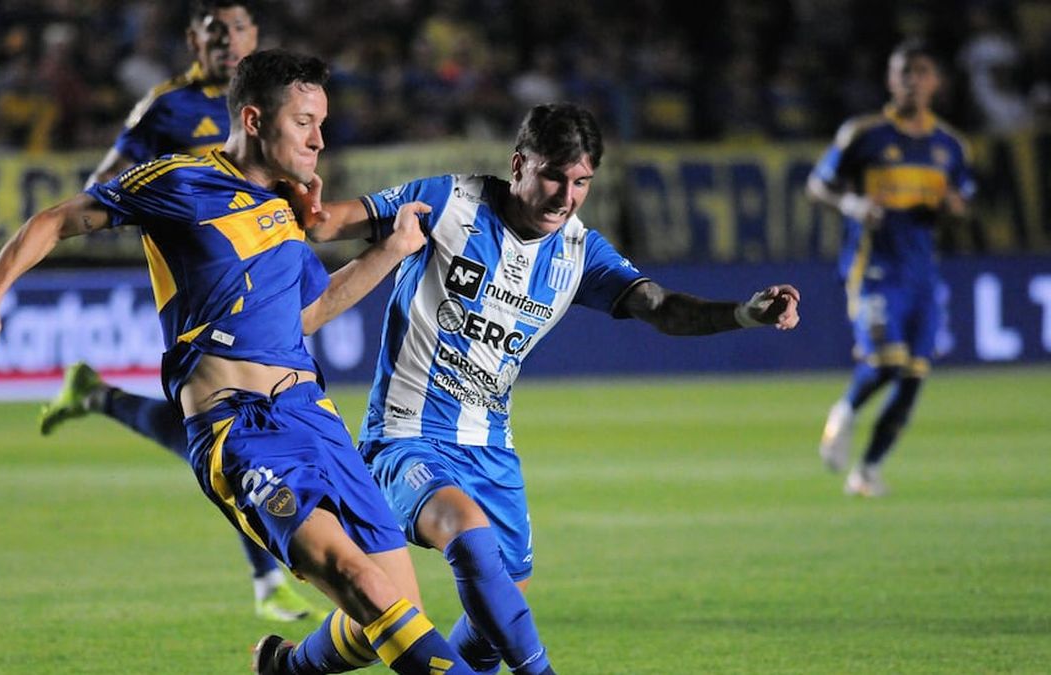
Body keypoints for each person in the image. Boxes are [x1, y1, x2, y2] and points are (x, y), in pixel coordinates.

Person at [0, 49, 475, 675]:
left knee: (394, 610)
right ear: (253, 119)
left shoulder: (284, 211)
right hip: (240, 429)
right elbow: (60, 219)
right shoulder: (181, 181)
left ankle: (283, 669)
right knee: (361, 582)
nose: (319, 140)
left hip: (315, 417)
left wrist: (394, 249)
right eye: (304, 122)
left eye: (321, 122)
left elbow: (311, 311)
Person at [254, 102, 801, 674]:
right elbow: (328, 222)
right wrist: (293, 193)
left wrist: (743, 313)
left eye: (582, 182)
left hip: (493, 452)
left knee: (478, 619)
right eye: (553, 176)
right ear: (519, 164)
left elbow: (659, 307)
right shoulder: (452, 202)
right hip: (406, 436)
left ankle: (288, 668)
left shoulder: (579, 251)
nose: (565, 196)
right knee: (469, 540)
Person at [36, 0, 315, 621]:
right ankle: (273, 579)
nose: (231, 40)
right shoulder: (167, 108)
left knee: (227, 422)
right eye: (218, 32)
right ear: (194, 40)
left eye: (241, 28)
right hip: (200, 274)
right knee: (232, 418)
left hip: (266, 266)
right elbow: (104, 178)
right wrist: (150, 203)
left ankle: (99, 397)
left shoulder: (274, 98)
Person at [807, 39, 975, 497]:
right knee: (885, 362)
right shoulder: (864, 134)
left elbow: (963, 200)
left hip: (923, 273)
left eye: (920, 72)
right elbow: (817, 185)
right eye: (902, 72)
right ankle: (844, 411)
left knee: (914, 374)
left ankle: (867, 471)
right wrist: (852, 203)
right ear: (889, 80)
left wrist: (954, 205)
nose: (911, 81)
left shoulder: (950, 147)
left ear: (935, 82)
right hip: (874, 266)